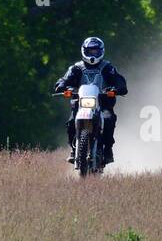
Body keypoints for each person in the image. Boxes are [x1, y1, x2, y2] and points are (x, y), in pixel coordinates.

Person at [53, 36, 127, 164]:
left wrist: (117, 89)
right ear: (84, 51)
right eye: (90, 51)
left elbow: (119, 80)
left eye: (96, 51)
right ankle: (73, 149)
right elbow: (64, 79)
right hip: (80, 104)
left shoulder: (107, 67)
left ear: (101, 51)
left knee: (109, 120)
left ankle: (108, 150)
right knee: (71, 122)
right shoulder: (76, 68)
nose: (93, 54)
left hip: (103, 103)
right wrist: (62, 86)